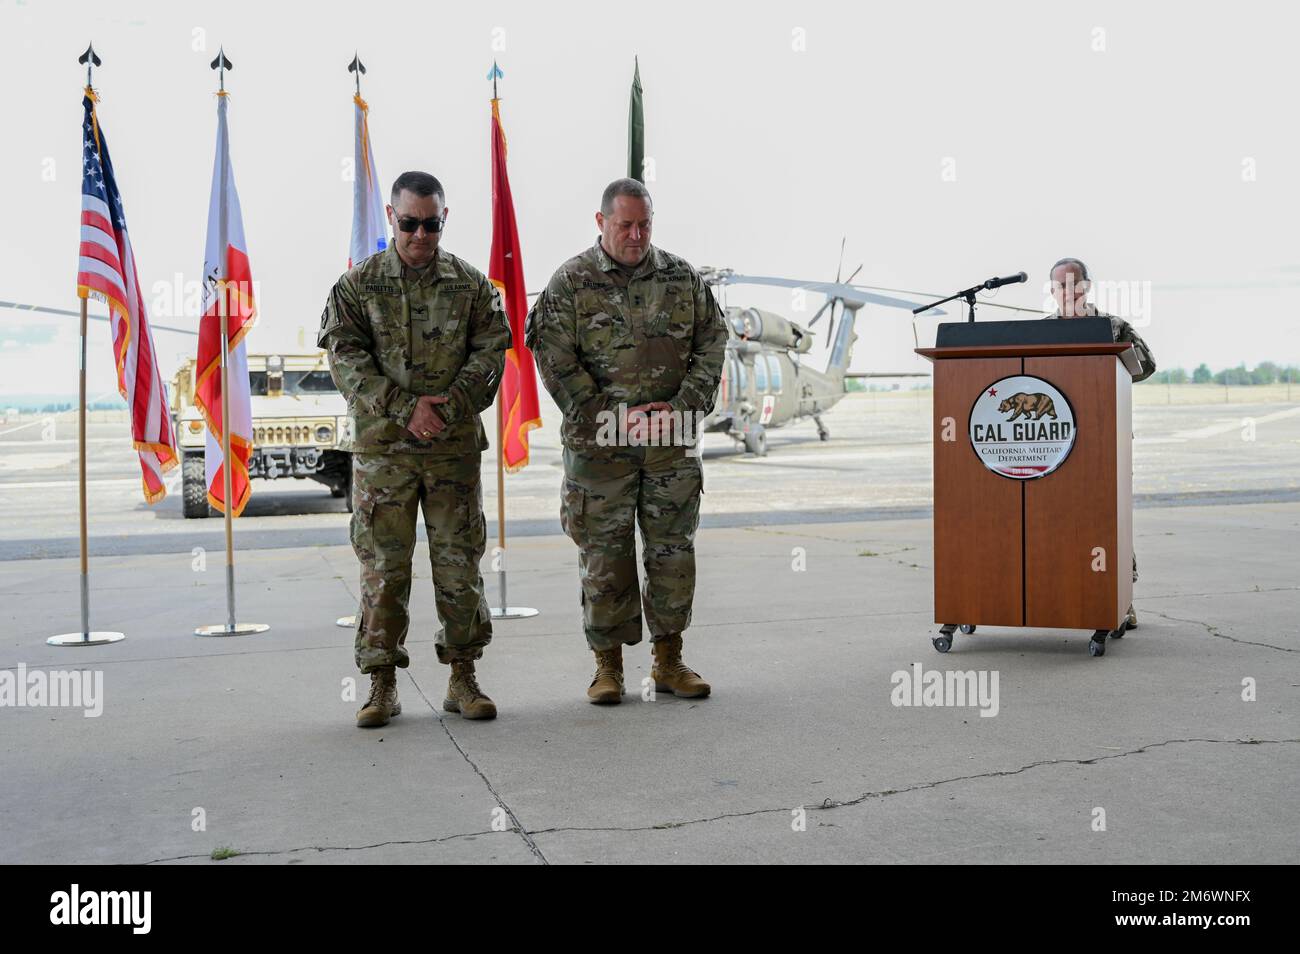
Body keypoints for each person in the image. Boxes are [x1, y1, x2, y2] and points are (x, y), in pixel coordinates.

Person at [319, 171, 510, 726]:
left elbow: (492, 353)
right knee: (384, 568)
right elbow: (346, 361)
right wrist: (407, 408)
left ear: (443, 219)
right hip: (385, 455)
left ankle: (463, 675)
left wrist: (446, 405)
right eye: (410, 224)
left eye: (432, 224)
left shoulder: (472, 286)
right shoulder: (357, 286)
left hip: (451, 453)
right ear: (391, 217)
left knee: (458, 566)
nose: (421, 235)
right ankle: (381, 684)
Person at [525, 178, 727, 703]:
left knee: (671, 552)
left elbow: (712, 342)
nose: (636, 235)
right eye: (625, 225)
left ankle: (669, 661)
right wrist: (613, 416)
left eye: (644, 225)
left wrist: (680, 408)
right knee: (605, 555)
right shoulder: (570, 282)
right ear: (601, 222)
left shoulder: (683, 278)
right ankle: (607, 668)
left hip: (670, 444)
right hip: (601, 448)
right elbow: (555, 360)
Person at [1048, 257, 1155, 630]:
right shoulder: (1040, 331)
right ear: (1052, 291)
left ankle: (1123, 599)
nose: (1068, 291)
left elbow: (1146, 364)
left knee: (1111, 517)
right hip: (1058, 444)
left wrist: (1114, 353)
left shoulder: (1110, 326)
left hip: (1105, 435)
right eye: (1061, 285)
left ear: (1087, 287)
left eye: (1074, 284)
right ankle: (1066, 592)